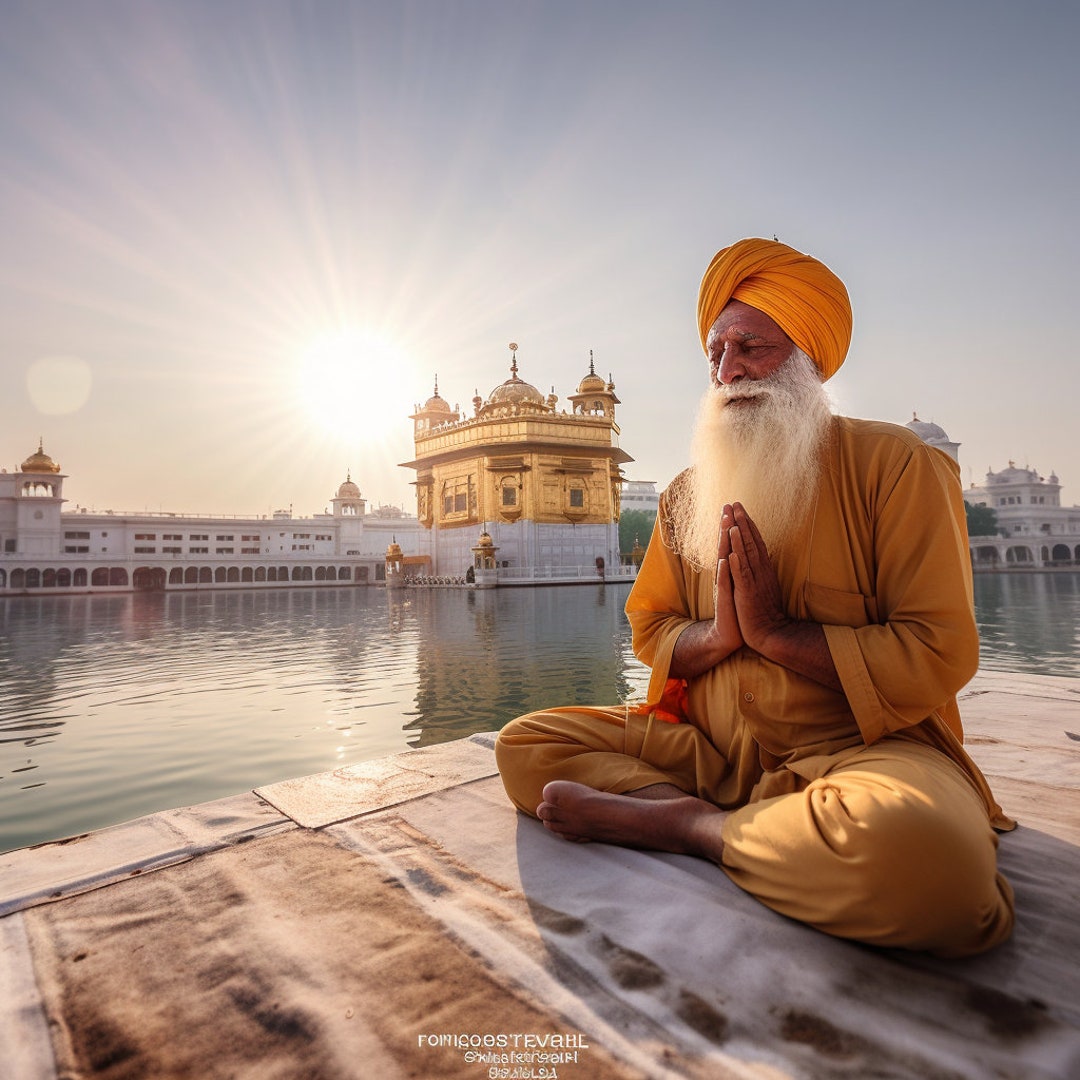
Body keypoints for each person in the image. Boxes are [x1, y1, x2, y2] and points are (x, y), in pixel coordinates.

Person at [495, 238, 1015, 958]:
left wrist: (777, 635)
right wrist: (718, 639)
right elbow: (651, 625)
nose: (727, 370)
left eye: (752, 348)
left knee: (934, 873)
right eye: (715, 353)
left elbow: (939, 650)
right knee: (526, 745)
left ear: (808, 357)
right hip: (710, 750)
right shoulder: (688, 492)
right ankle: (762, 827)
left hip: (860, 752)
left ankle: (688, 827)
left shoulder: (896, 466)